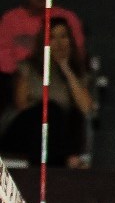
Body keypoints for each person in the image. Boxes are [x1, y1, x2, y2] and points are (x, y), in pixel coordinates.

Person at [0, 16, 91, 168]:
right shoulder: (29, 68)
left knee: (62, 116)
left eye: (63, 36)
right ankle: (64, 159)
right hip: (23, 130)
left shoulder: (76, 73)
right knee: (51, 109)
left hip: (54, 138)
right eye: (52, 37)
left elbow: (86, 108)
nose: (59, 43)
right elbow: (22, 104)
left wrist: (65, 67)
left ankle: (57, 161)